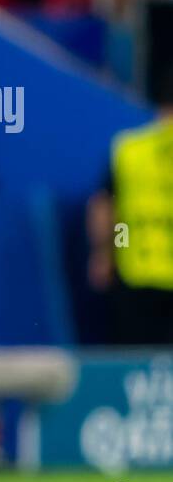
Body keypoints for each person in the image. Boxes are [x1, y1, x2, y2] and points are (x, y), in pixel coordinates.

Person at [87, 86, 173, 344]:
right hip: (136, 272)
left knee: (135, 366)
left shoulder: (130, 149)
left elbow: (104, 206)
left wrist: (103, 254)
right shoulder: (129, 150)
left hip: (135, 269)